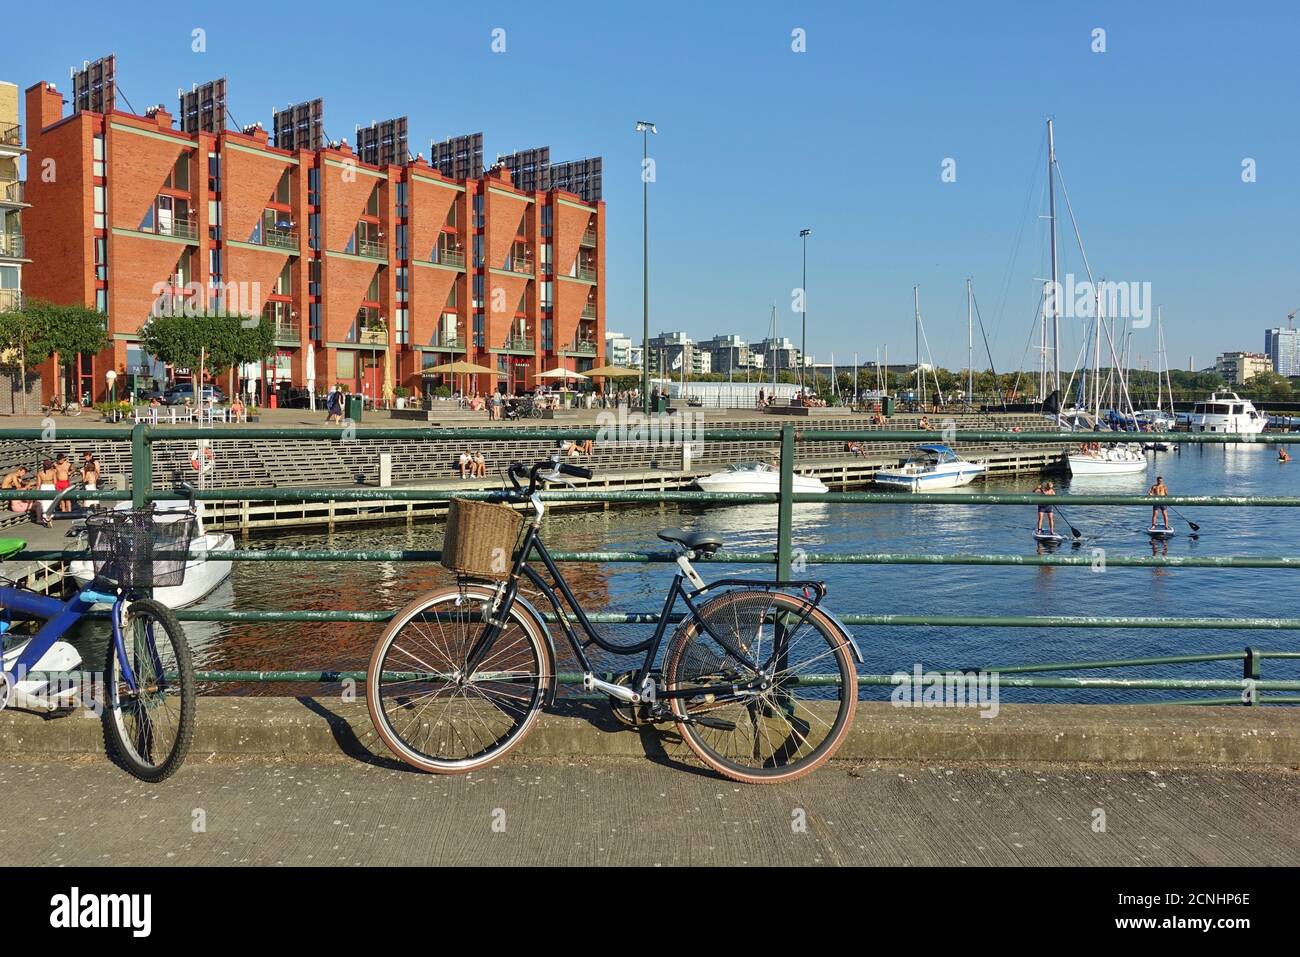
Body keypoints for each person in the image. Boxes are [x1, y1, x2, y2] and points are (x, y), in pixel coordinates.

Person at [34, 458, 56, 527]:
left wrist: (37, 493)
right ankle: (49, 517)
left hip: (43, 486)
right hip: (51, 486)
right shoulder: (53, 472)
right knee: (51, 502)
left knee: (44, 503)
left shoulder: (40, 473)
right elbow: (55, 482)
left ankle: (45, 517)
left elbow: (38, 484)